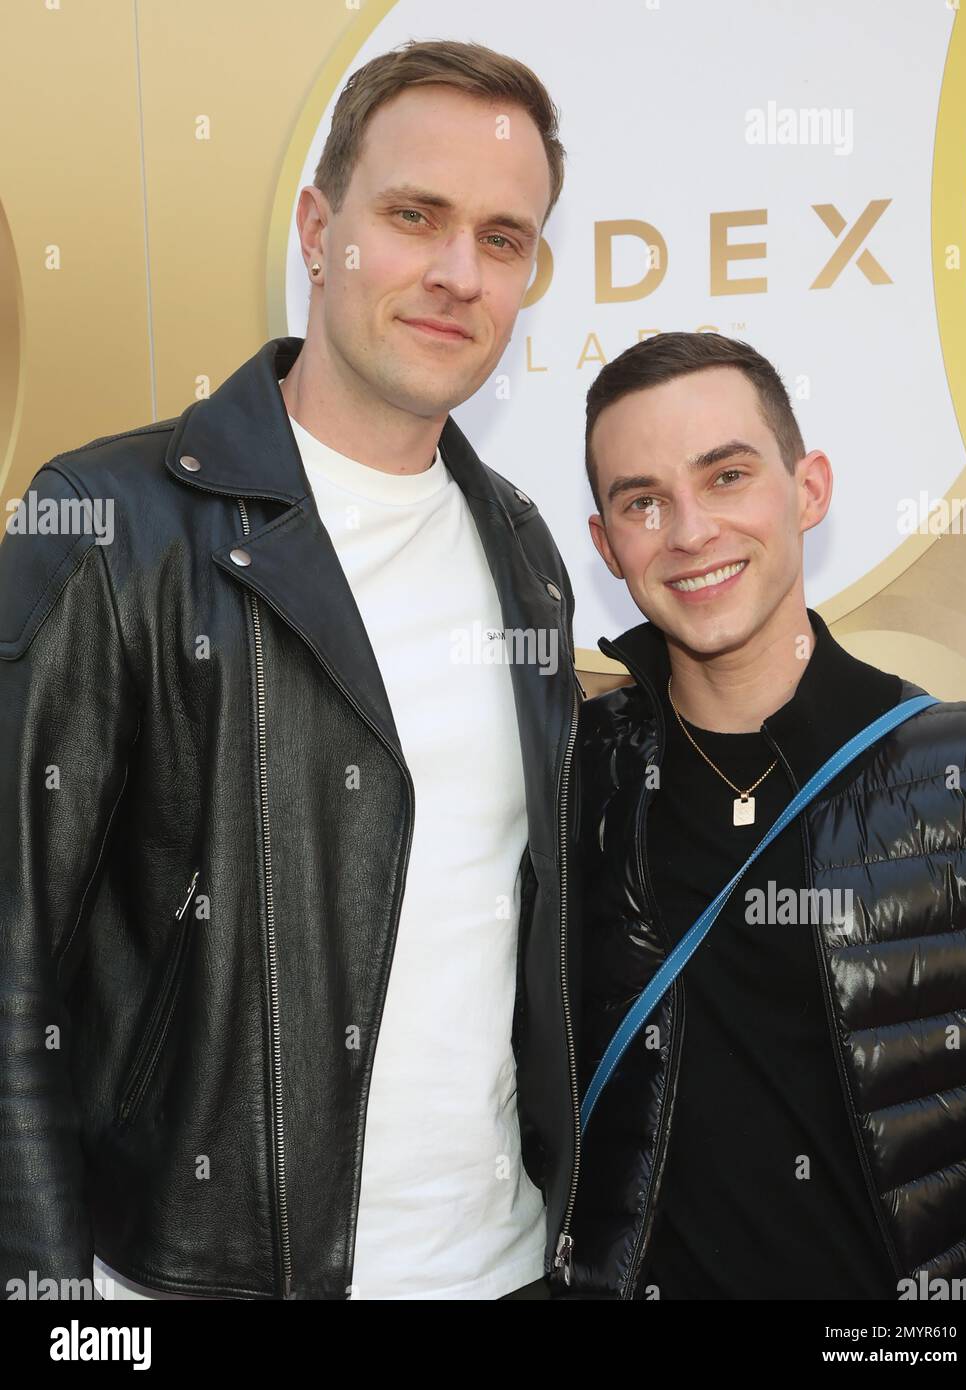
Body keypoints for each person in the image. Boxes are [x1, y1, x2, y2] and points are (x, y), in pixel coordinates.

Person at [0, 39, 583, 1302]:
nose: (453, 273)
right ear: (319, 228)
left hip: (503, 1269)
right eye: (413, 214)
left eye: (501, 238)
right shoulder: (110, 523)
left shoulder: (524, 548)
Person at [564, 331, 966, 1299]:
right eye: (641, 501)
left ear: (806, 490)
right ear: (605, 545)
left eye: (724, 476)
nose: (688, 531)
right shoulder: (571, 783)